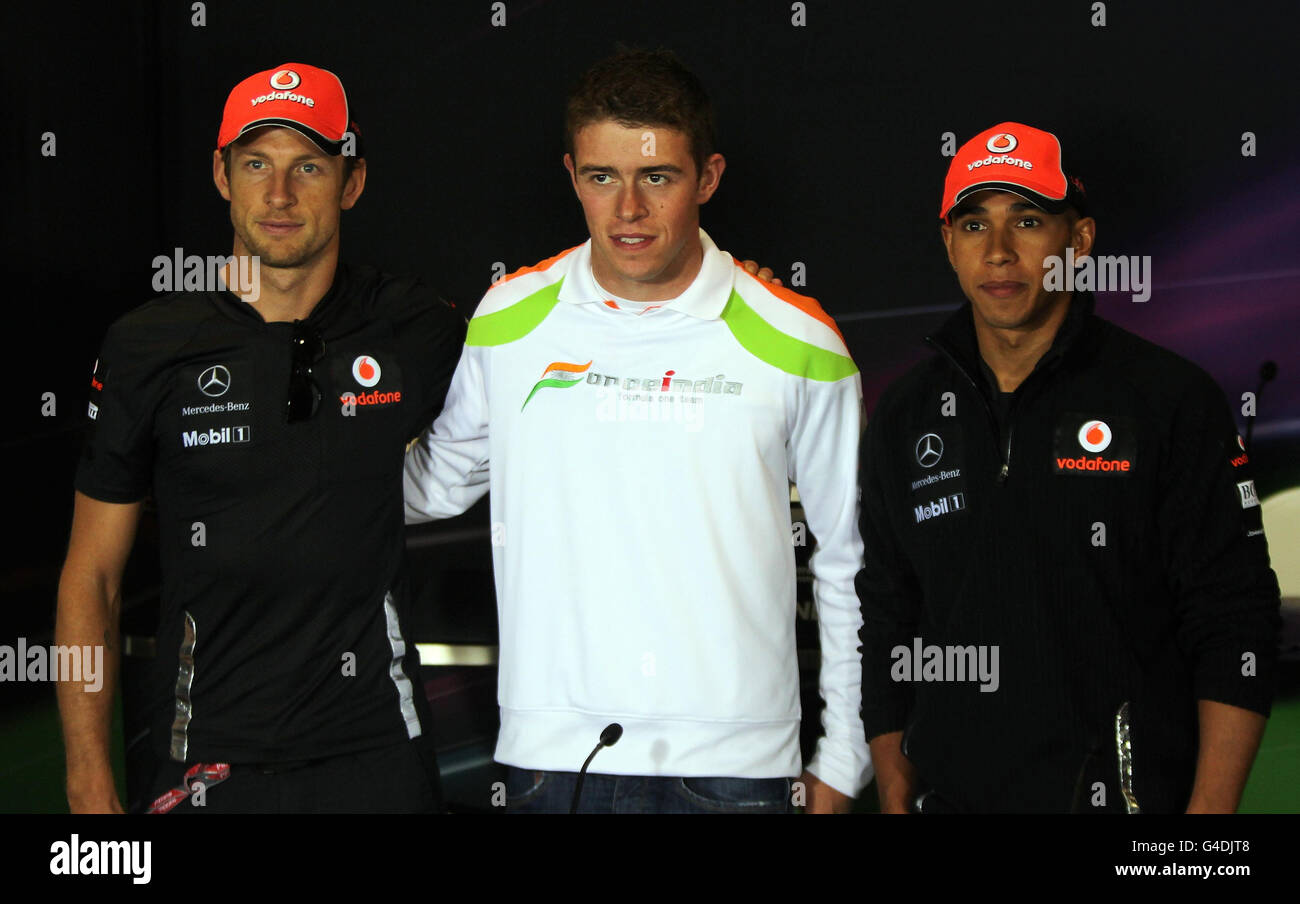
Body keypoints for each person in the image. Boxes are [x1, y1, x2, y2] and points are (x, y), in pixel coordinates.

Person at [403, 48, 871, 813]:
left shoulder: (799, 338)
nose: (627, 210)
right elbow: (438, 481)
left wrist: (843, 760)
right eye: (601, 177)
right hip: (552, 759)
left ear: (709, 178)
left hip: (742, 766)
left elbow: (852, 560)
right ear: (572, 175)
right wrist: (288, 467)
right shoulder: (510, 317)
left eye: (657, 177)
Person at [56, 63, 465, 813]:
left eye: (308, 165)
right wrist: (86, 779)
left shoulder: (419, 329)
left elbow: (563, 325)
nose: (279, 196)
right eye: (256, 165)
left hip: (377, 751)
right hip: (207, 755)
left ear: (353, 181)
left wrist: (737, 278)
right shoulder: (147, 347)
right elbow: (93, 577)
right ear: (221, 174)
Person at [857, 122, 1282, 814]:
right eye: (973, 225)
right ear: (949, 245)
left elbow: (1236, 618)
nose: (998, 252)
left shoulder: (1169, 399)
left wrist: (1206, 824)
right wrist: (897, 788)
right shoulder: (904, 415)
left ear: (1078, 241)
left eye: (1026, 220)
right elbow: (887, 613)